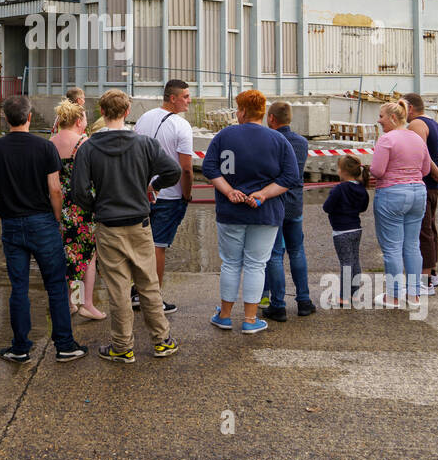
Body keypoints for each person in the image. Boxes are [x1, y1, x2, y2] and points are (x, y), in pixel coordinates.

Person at [69, 89, 181, 362]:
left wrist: (96, 206)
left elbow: (79, 191)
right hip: (140, 223)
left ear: (102, 113)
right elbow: (173, 171)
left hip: (108, 225)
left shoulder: (89, 148)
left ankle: (122, 346)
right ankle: (162, 340)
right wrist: (152, 186)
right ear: (127, 112)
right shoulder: (144, 144)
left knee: (118, 288)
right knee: (148, 284)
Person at [0, 94, 88, 364]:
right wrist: (57, 219)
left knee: (19, 287)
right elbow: (54, 189)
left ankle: (19, 348)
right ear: (29, 117)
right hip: (43, 223)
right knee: (55, 285)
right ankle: (64, 345)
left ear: (6, 118)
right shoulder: (44, 148)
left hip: (12, 224)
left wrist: (3, 213)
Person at [201, 90, 299, 334]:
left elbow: (209, 167)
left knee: (231, 263)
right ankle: (250, 319)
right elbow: (290, 177)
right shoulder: (278, 140)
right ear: (263, 112)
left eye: (238, 109)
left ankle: (224, 316)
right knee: (256, 265)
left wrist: (229, 191)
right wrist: (264, 194)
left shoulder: (224, 135)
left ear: (243, 111)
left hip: (230, 211)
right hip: (265, 213)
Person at [131, 79, 194, 314]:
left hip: (143, 191)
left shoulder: (145, 118)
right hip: (170, 194)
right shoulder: (181, 126)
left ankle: (137, 292)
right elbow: (185, 168)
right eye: (186, 96)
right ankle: (154, 299)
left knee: (140, 244)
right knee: (158, 245)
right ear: (172, 98)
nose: (189, 100)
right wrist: (187, 194)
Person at [370, 100, 432, 308]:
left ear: (393, 118)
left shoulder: (387, 139)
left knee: (392, 248)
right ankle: (414, 296)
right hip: (418, 192)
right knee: (413, 245)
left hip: (392, 194)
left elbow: (378, 170)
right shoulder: (416, 138)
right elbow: (425, 170)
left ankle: (394, 296)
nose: (379, 120)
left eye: (381, 116)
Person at [51, 99, 103, 320]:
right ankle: (86, 304)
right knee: (87, 257)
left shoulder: (50, 142)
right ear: (78, 120)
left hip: (59, 206)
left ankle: (71, 302)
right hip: (82, 207)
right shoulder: (84, 143)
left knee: (67, 254)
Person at [261, 101, 313, 321]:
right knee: (297, 250)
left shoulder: (268, 140)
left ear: (272, 118)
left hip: (274, 203)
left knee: (274, 255)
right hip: (295, 204)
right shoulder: (301, 142)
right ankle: (304, 300)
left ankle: (278, 304)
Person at [402, 93, 438, 295]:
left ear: (410, 109)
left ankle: (425, 282)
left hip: (423, 184)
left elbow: (421, 154)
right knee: (430, 228)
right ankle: (432, 274)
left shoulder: (416, 125)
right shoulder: (435, 125)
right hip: (432, 186)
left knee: (422, 231)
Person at [323, 155, 371, 307]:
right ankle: (355, 294)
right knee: (355, 261)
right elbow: (363, 207)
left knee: (346, 263)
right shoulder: (361, 188)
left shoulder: (339, 188)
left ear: (343, 171)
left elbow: (327, 207)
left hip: (341, 231)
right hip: (356, 228)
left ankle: (344, 297)